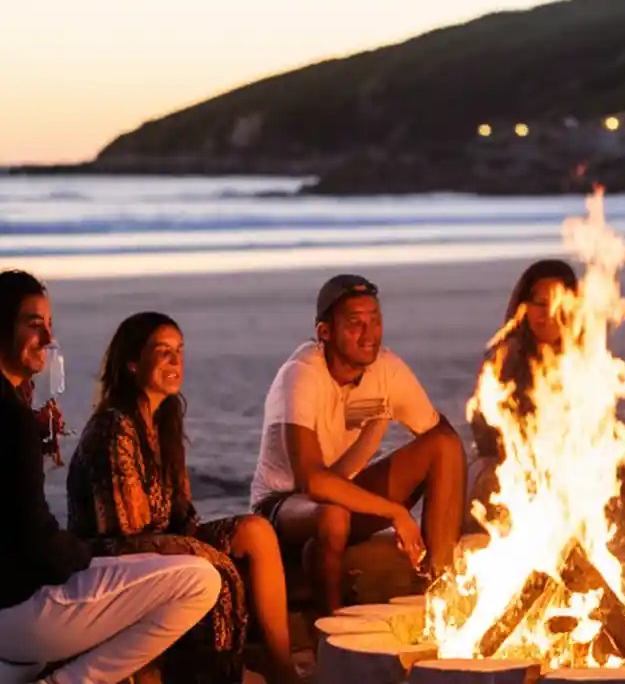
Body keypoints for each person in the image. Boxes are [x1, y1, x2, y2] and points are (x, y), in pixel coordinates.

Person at [0, 270, 220, 684]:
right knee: (199, 580)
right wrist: (83, 557)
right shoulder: (15, 420)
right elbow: (35, 538)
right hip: (16, 608)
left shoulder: (17, 413)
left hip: (12, 605)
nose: (48, 339)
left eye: (49, 325)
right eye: (34, 325)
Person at [67, 312, 301, 684]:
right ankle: (209, 670)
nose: (176, 361)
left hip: (157, 541)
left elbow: (182, 514)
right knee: (212, 564)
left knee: (256, 532)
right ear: (132, 363)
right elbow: (127, 530)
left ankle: (280, 664)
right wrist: (201, 552)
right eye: (163, 352)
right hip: (111, 555)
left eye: (179, 351)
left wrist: (198, 543)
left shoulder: (164, 420)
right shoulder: (114, 427)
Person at [250, 274, 466, 615]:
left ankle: (439, 589)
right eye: (355, 324)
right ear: (325, 332)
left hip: (344, 495)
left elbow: (443, 438)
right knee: (332, 515)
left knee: (444, 446)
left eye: (375, 321)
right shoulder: (301, 374)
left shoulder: (388, 369)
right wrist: (395, 512)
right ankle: (329, 630)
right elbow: (314, 481)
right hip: (283, 507)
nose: (369, 335)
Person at [468, 259, 579, 527]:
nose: (548, 313)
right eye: (539, 303)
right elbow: (488, 436)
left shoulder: (585, 360)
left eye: (557, 303)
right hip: (505, 463)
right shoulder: (505, 358)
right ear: (524, 308)